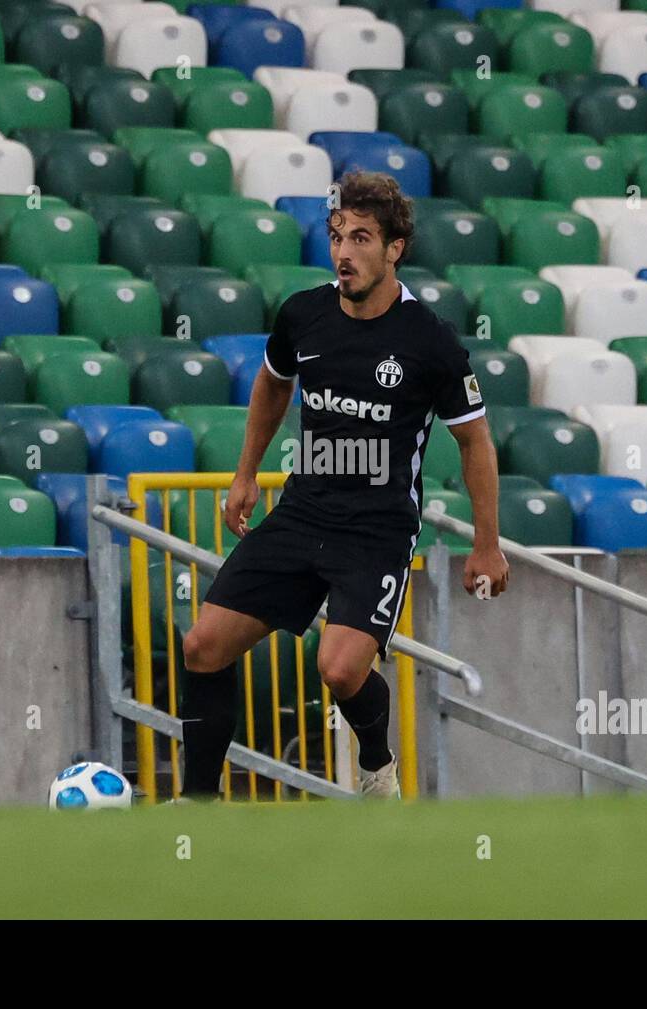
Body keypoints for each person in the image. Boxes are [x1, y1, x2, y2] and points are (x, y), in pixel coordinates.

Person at [178, 171, 509, 799]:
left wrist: (487, 544)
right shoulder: (304, 316)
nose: (343, 252)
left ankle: (377, 762)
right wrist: (246, 472)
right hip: (302, 514)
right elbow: (273, 382)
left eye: (361, 238)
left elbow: (474, 440)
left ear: (394, 248)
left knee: (337, 667)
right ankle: (196, 806)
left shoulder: (431, 341)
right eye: (336, 237)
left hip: (376, 531)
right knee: (202, 645)